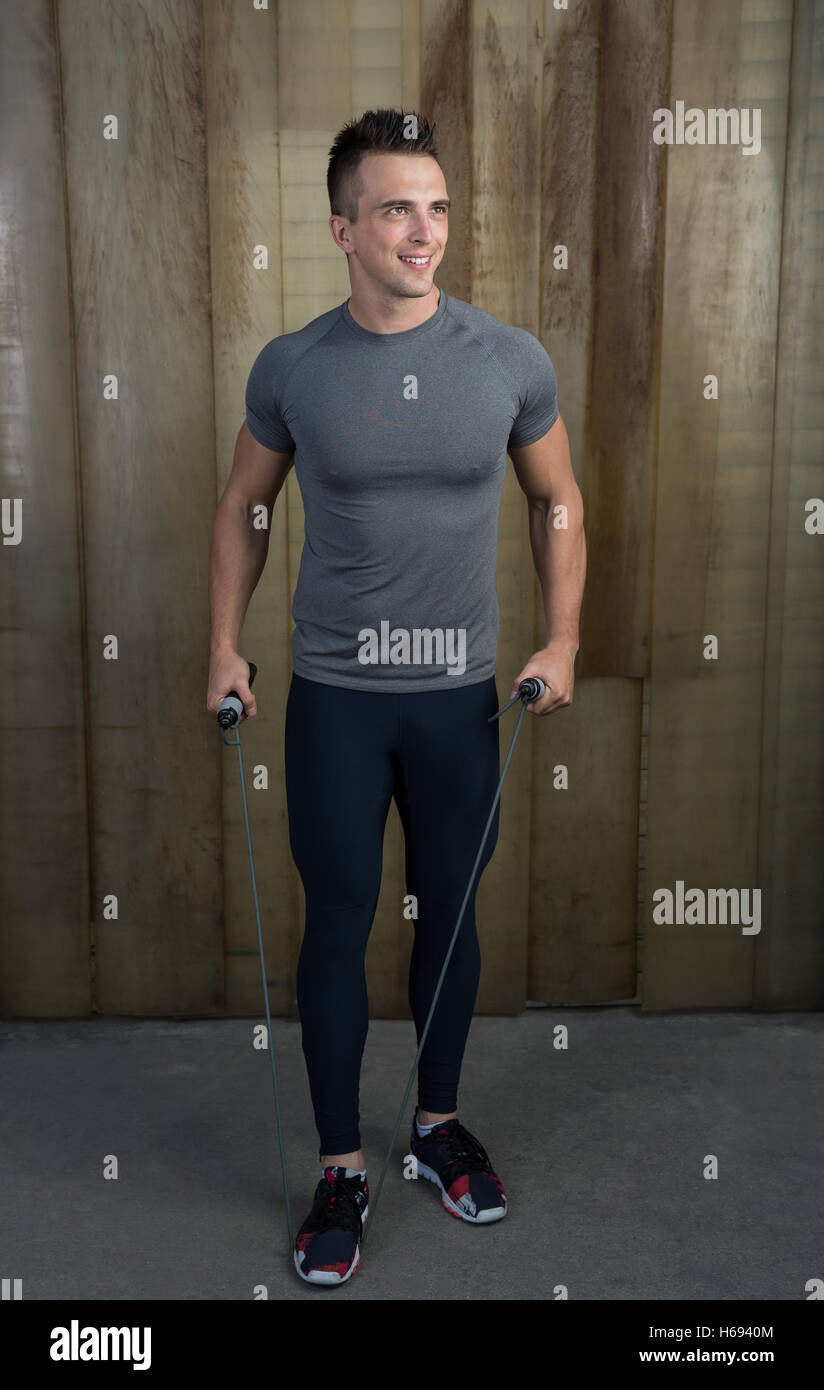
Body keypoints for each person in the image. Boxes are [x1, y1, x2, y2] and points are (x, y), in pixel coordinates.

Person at [206, 108, 585, 1287]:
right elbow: (243, 510)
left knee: (449, 916)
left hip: (458, 698)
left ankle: (431, 1129)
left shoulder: (509, 359)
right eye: (393, 208)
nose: (422, 230)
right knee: (335, 923)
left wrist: (562, 637)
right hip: (334, 697)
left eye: (434, 205)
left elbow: (557, 501)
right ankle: (338, 1167)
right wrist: (222, 644)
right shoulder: (293, 367)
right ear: (341, 228)